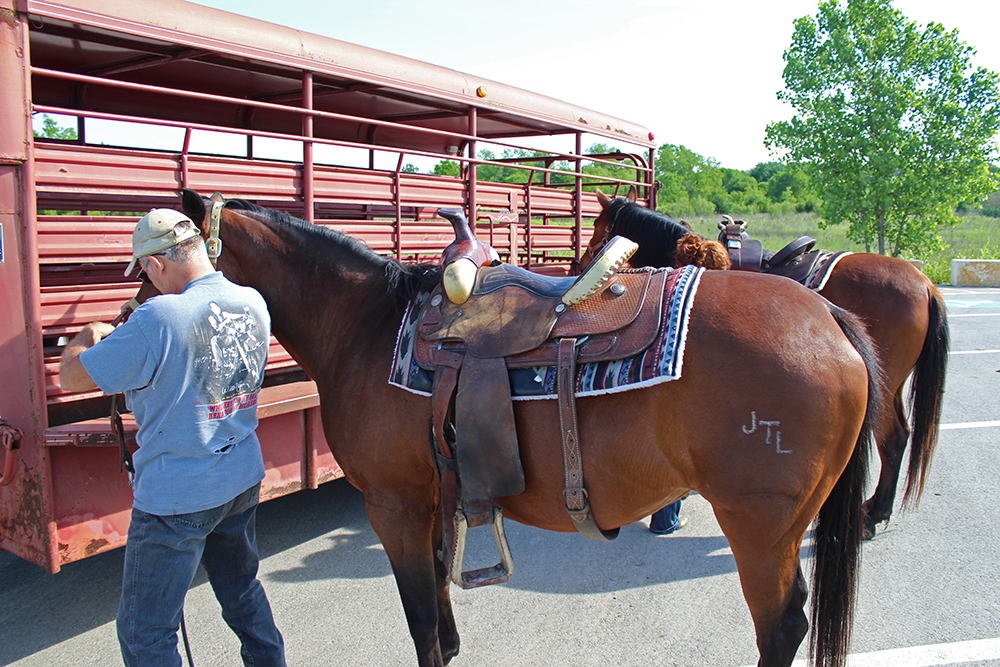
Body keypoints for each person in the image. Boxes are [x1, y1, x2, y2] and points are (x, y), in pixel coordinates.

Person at [59, 209, 285, 667]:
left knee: (145, 632)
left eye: (146, 271)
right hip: (240, 477)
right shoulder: (252, 301)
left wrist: (88, 336)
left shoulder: (157, 317)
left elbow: (71, 377)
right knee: (242, 591)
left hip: (178, 496)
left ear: (155, 264)